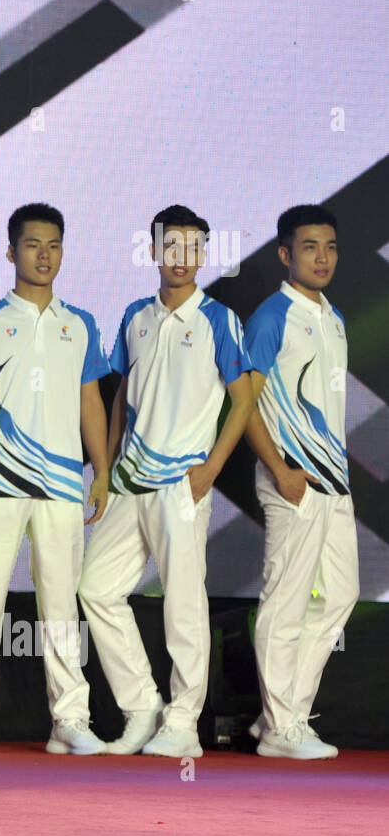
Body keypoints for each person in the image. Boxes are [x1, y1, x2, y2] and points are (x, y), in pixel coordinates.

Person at [78, 205, 254, 758]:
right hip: (130, 479)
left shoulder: (218, 319)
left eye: (191, 247)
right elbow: (121, 399)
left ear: (203, 254)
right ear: (153, 251)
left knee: (182, 600)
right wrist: (104, 472)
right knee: (96, 589)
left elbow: (245, 397)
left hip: (183, 481)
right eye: (169, 245)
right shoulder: (135, 316)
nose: (180, 257)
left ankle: (182, 724)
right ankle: (142, 708)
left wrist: (211, 470)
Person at [0, 203, 110, 755]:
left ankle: (70, 720)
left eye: (54, 244)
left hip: (62, 486)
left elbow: (92, 403)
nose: (44, 254)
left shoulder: (79, 324)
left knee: (62, 608)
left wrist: (102, 470)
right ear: (11, 251)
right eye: (33, 244)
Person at [244, 204, 356, 760]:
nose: (323, 257)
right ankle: (282, 727)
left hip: (334, 485)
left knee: (341, 594)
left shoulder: (331, 316)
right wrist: (281, 470)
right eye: (310, 246)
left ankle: (282, 717)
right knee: (285, 602)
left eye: (331, 247)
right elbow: (242, 403)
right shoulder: (273, 316)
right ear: (286, 254)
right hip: (294, 481)